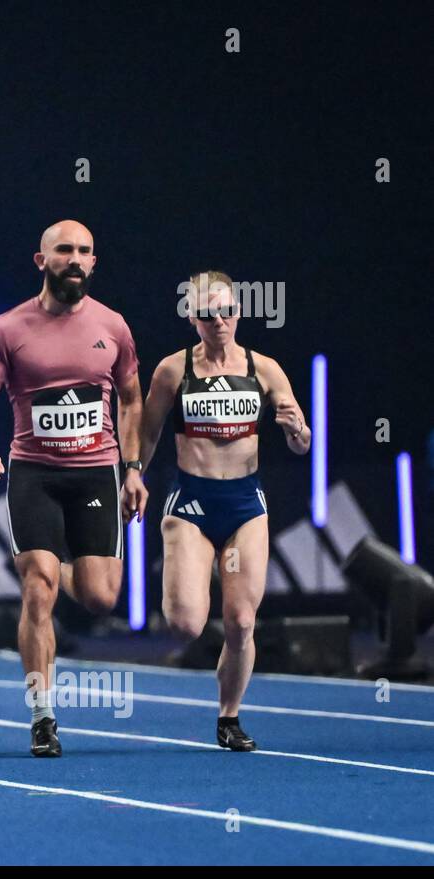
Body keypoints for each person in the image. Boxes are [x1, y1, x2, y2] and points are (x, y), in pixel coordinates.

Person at [0, 220, 147, 757]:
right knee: (38, 586)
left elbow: (133, 400)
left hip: (96, 473)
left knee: (99, 595)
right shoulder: (8, 328)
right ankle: (43, 715)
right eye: (64, 250)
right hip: (33, 473)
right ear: (41, 260)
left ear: (94, 263)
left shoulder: (113, 326)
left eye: (85, 251)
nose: (75, 259)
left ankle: (50, 562)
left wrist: (133, 468)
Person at [138, 270, 310, 751]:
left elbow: (302, 444)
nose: (220, 321)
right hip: (190, 503)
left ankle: (229, 718)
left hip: (244, 505)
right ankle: (187, 598)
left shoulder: (265, 368)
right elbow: (147, 434)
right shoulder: (174, 371)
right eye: (209, 313)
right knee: (187, 624)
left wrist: (297, 431)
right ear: (193, 317)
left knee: (241, 621)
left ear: (239, 313)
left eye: (228, 311)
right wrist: (132, 476)